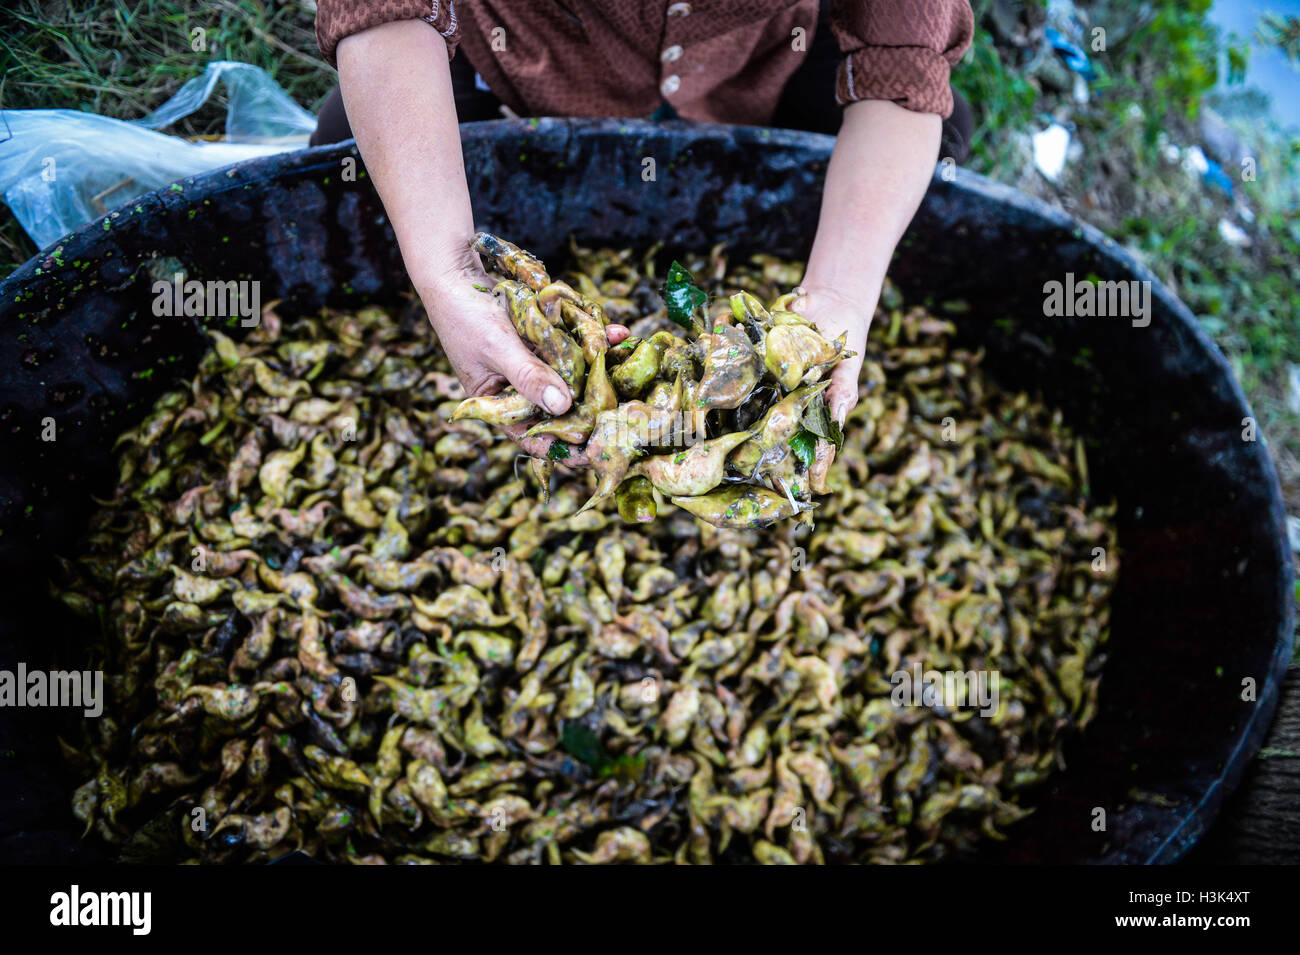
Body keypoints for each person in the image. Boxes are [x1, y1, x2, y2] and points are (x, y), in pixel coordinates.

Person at [311, 0, 973, 456]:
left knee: (935, 150)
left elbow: (904, 61)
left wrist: (843, 294)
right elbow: (382, 9)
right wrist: (443, 267)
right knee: (347, 161)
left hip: (757, 62)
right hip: (519, 54)